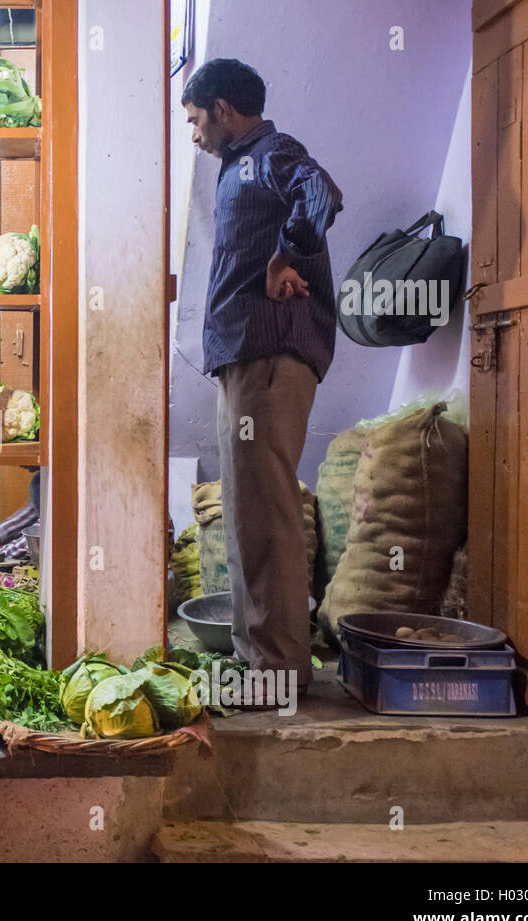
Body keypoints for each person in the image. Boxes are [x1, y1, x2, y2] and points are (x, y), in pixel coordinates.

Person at [182, 59, 343, 697]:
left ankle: (277, 675)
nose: (193, 135)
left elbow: (321, 193)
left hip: (270, 357)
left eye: (196, 120)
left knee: (268, 514)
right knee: (250, 512)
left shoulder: (273, 152)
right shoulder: (236, 167)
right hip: (244, 359)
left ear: (222, 109)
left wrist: (287, 254)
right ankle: (261, 666)